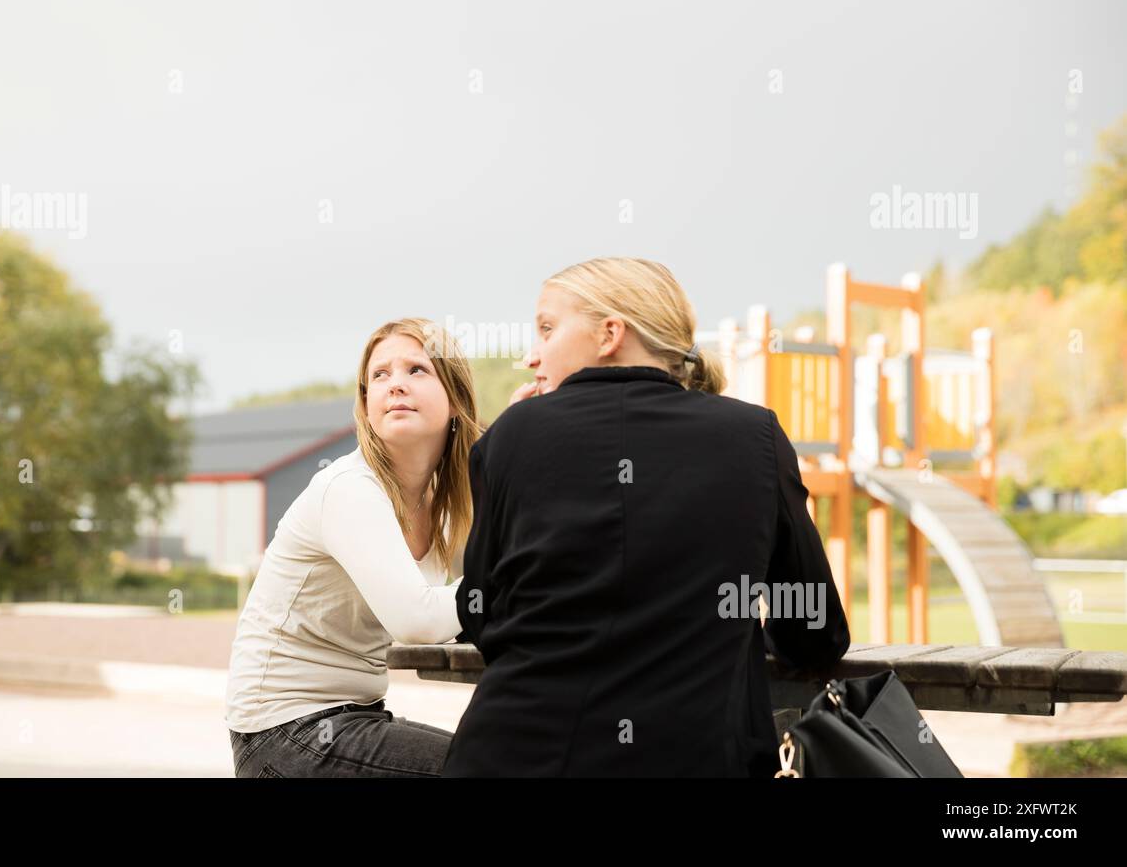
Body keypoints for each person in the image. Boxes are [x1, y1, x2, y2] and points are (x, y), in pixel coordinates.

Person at [443, 257, 850, 777]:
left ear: (610, 333)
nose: (531, 354)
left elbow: (481, 612)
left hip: (516, 754)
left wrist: (520, 430)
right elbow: (814, 628)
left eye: (546, 328)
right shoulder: (755, 437)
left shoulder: (510, 436)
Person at [226, 318, 480, 777]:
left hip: (354, 715)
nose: (395, 385)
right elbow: (419, 618)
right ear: (365, 407)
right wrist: (515, 591)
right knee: (490, 765)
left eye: (416, 370)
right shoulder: (349, 488)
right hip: (285, 733)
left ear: (457, 399)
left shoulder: (443, 506)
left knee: (501, 753)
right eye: (379, 376)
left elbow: (468, 593)